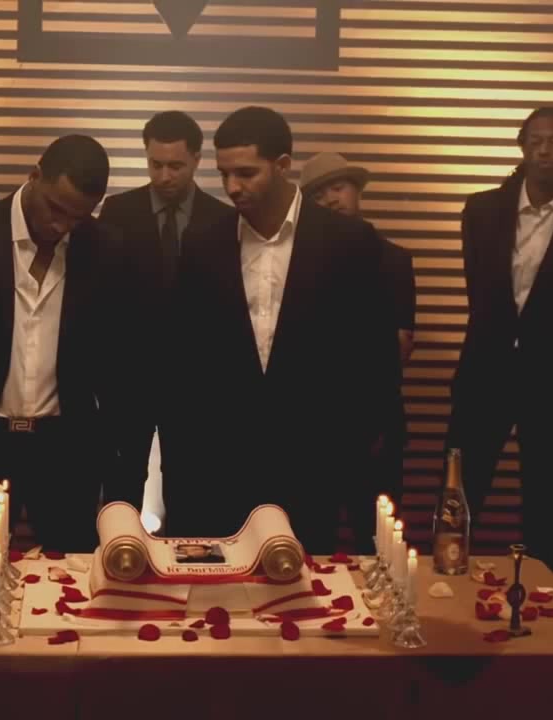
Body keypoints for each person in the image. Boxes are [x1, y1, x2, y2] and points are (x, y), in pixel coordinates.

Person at [160, 107, 398, 552]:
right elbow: (184, 360)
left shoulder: (348, 240)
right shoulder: (203, 242)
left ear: (283, 164)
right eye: (224, 174)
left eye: (246, 173)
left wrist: (351, 447)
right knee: (221, 583)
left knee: (305, 582)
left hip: (314, 459)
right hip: (220, 462)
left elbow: (372, 355)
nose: (233, 187)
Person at [0, 135, 148, 552]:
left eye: (77, 217)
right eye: (55, 208)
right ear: (35, 175)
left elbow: (119, 358)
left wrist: (109, 447)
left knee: (69, 570)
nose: (61, 226)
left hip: (65, 448)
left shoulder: (107, 248)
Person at [446, 107, 553, 570]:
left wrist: (543, 331)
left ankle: (540, 589)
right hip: (484, 366)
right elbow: (479, 286)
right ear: (522, 147)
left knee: (546, 492)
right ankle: (447, 579)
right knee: (461, 488)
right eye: (536, 140)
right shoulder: (481, 209)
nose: (545, 150)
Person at [96, 110, 232, 517]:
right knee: (120, 485)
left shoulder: (223, 219)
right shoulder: (118, 211)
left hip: (196, 382)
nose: (164, 176)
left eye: (175, 166)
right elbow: (102, 298)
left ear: (196, 160)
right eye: (155, 164)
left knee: (191, 489)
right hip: (127, 377)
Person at [300, 151, 416, 552]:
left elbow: (401, 346)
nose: (331, 200)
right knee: (312, 537)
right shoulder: (299, 260)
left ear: (357, 191)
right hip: (311, 421)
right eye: (318, 196)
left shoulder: (394, 258)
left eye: (338, 188)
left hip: (375, 419)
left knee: (378, 539)